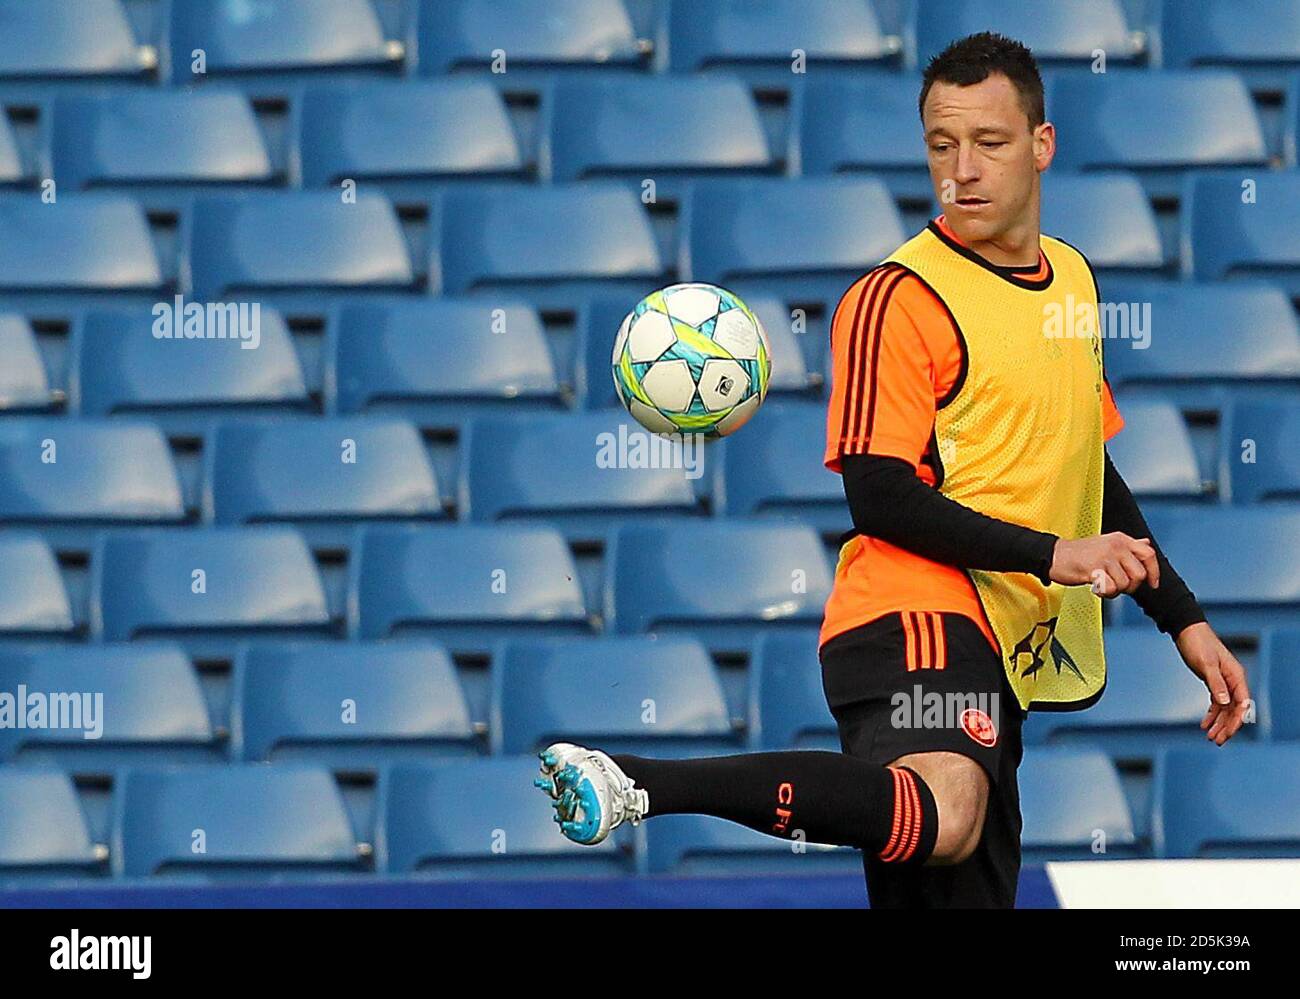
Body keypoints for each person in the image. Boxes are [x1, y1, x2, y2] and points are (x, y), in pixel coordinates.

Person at [533, 31, 1252, 908]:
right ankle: (639, 782)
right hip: (913, 616)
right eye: (942, 146)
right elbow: (877, 494)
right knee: (949, 816)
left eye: (988, 142)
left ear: (1042, 144)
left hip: (999, 642)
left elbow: (1081, 460)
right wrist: (1055, 555)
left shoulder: (1071, 280)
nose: (963, 170)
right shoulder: (895, 299)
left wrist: (1180, 615)